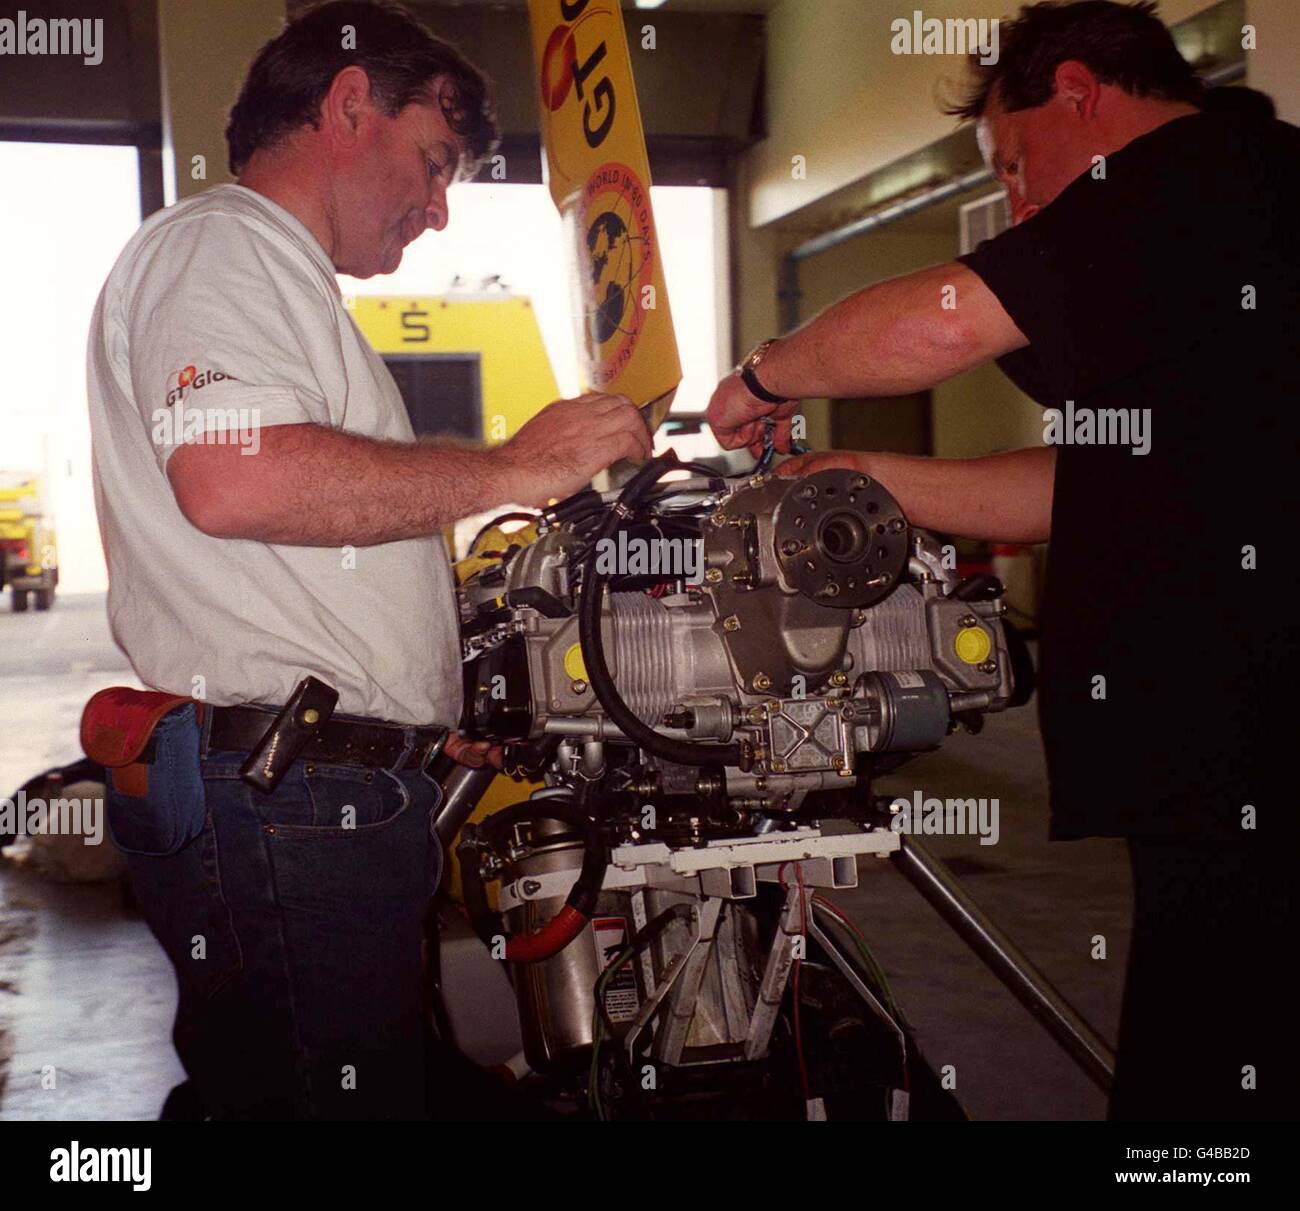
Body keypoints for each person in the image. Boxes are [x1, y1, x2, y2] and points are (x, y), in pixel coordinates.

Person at [707, 0, 1297, 1121]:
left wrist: (763, 375)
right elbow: (1084, 484)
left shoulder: (1192, 174)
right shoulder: (1220, 238)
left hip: (1254, 743)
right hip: (1227, 759)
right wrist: (854, 474)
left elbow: (936, 326)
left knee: (1213, 1065)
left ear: (1080, 91)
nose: (1020, 202)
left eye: (1015, 163)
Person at [87, 0, 649, 1119]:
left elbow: (295, 555)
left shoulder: (274, 280)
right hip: (288, 800)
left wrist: (416, 711)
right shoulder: (225, 243)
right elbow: (236, 476)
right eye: (435, 163)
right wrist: (508, 468)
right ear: (349, 104)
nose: (438, 211)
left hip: (309, 783)